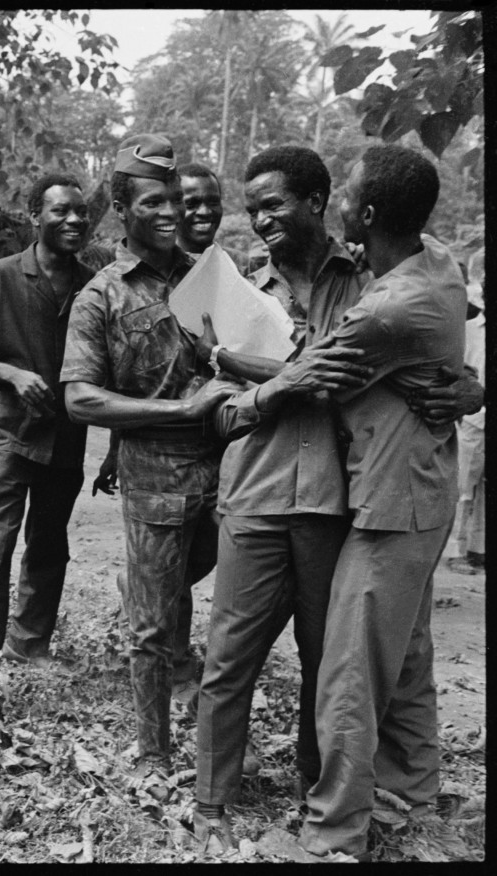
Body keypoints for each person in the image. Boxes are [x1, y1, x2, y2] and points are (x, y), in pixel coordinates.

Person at [190, 145, 374, 853]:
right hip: (257, 499)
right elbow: (221, 414)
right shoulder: (239, 297)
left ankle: (314, 787)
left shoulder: (366, 280)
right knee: (229, 657)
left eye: (274, 204)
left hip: (337, 502)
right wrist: (283, 384)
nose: (260, 219)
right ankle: (211, 801)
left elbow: (365, 376)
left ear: (318, 201)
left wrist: (264, 373)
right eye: (253, 207)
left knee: (327, 660)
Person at [295, 145, 468, 859]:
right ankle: (412, 789)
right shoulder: (438, 264)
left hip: (393, 499)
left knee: (350, 668)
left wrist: (219, 359)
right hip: (423, 490)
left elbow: (306, 372)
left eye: (346, 196)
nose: (333, 202)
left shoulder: (390, 307)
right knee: (409, 653)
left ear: (365, 215)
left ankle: (335, 828)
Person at [61, 134, 238, 797]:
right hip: (154, 475)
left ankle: (215, 733)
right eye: (154, 201)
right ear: (121, 207)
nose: (170, 212)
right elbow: (79, 396)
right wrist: (180, 413)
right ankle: (153, 750)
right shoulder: (100, 297)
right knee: (154, 624)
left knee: (216, 605)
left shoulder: (213, 276)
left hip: (230, 472)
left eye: (175, 199)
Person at [0, 174, 112, 707]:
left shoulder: (94, 285)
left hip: (67, 436)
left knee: (49, 543)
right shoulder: (1, 276)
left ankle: (31, 639)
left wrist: (114, 445)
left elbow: (107, 374)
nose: (72, 221)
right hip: (8, 433)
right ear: (34, 216)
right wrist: (16, 376)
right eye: (60, 211)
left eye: (80, 213)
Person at [446, 273, 485, 575]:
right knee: (464, 487)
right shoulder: (469, 330)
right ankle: (456, 552)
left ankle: (478, 548)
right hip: (474, 420)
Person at [174, 162, 253, 274]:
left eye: (213, 202)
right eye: (191, 204)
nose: (205, 212)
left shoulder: (242, 266)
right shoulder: (155, 269)